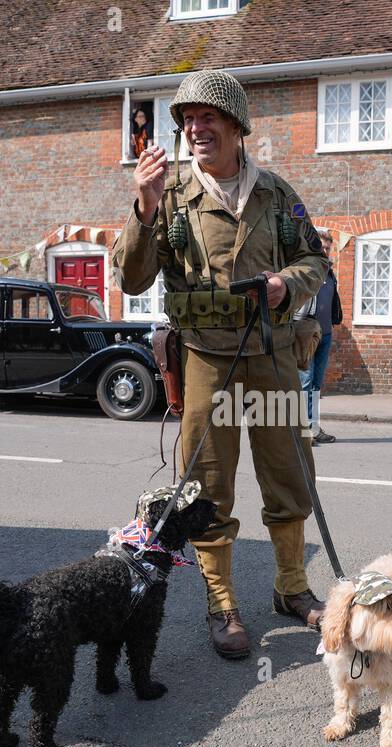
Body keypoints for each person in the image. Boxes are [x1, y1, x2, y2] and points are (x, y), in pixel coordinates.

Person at [112, 70, 330, 660]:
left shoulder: (278, 194)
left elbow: (316, 259)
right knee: (206, 486)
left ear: (236, 125)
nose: (194, 128)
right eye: (187, 120)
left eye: (208, 117)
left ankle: (291, 588)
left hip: (274, 356)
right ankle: (222, 602)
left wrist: (290, 282)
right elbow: (131, 277)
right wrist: (145, 204)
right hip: (206, 358)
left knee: (289, 475)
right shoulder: (169, 192)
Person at [296, 229, 342, 444]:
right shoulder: (306, 269)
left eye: (328, 248)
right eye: (322, 247)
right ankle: (303, 429)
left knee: (316, 384)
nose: (325, 251)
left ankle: (313, 427)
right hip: (306, 332)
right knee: (304, 382)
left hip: (325, 333)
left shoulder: (329, 272)